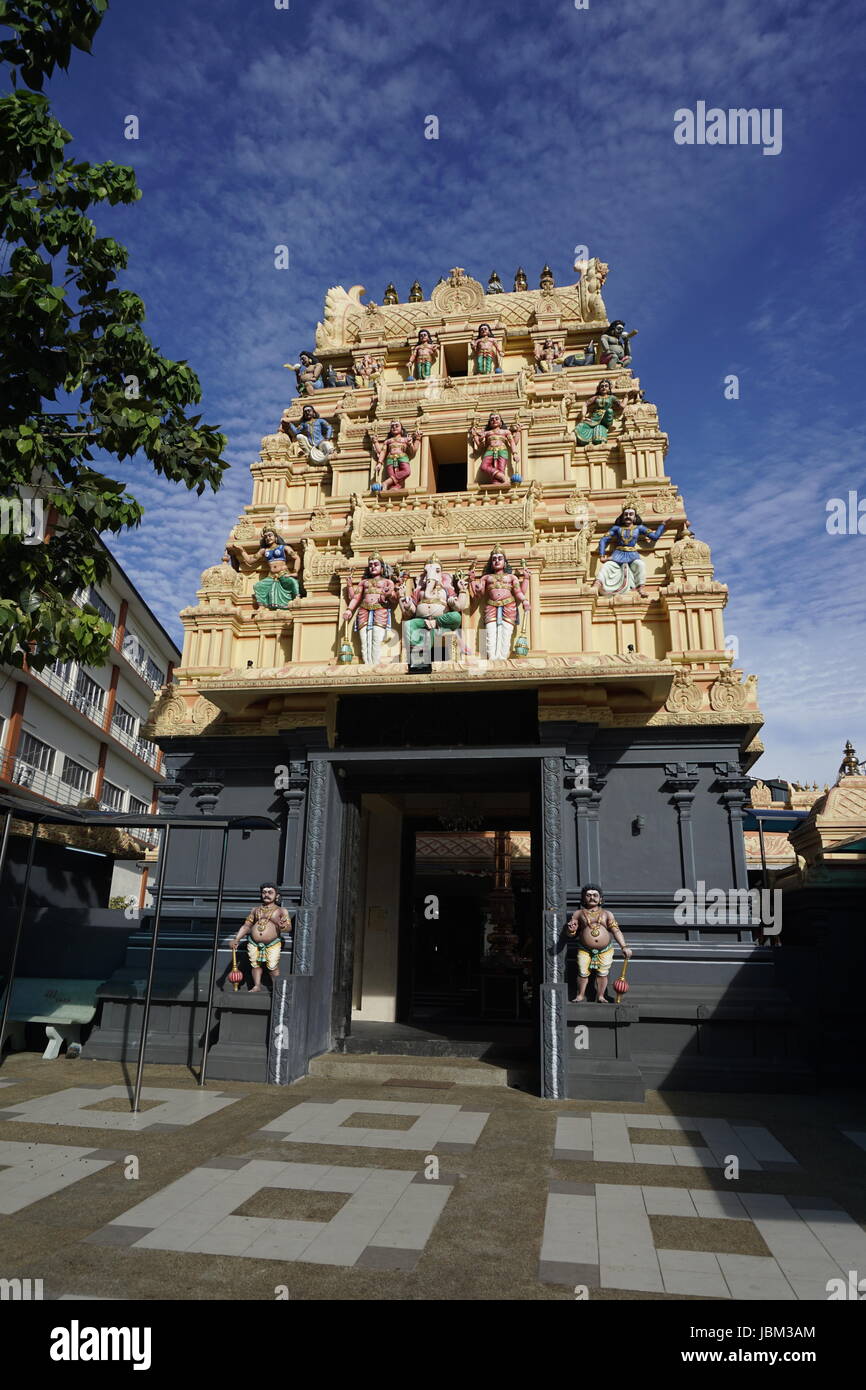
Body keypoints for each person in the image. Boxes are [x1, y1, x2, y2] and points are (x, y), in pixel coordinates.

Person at [566, 884, 632, 1003]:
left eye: (595, 895)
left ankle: (601, 996)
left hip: (604, 950)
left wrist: (624, 946)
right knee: (582, 971)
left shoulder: (607, 914)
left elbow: (616, 930)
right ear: (583, 898)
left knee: (603, 973)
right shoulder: (578, 913)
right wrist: (571, 930)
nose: (592, 897)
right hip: (584, 949)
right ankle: (580, 995)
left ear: (600, 898)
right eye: (589, 895)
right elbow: (571, 934)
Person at [595, 506, 670, 599]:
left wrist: (662, 525)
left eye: (631, 514)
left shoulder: (639, 528)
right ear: (622, 517)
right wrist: (602, 555)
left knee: (640, 565)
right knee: (607, 566)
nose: (628, 516)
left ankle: (641, 588)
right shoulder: (616, 528)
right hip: (618, 554)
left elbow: (654, 537)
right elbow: (603, 540)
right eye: (626, 514)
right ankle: (596, 585)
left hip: (632, 554)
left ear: (635, 517)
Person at [230, 883, 292, 992]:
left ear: (277, 895)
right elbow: (246, 926)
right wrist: (237, 939)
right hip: (254, 943)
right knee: (254, 964)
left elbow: (288, 928)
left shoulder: (281, 911)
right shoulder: (255, 910)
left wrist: (283, 926)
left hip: (272, 943)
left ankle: (277, 987)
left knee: (272, 965)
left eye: (270, 892)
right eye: (264, 892)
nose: (266, 895)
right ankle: (257, 986)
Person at [469, 548, 529, 660]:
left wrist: (526, 581)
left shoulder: (511, 577)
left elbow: (518, 592)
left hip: (508, 607)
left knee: (506, 634)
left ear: (505, 562)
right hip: (491, 607)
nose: (497, 561)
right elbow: (478, 594)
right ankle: (492, 659)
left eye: (500, 558)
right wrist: (472, 581)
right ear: (491, 563)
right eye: (494, 559)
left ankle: (502, 659)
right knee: (490, 635)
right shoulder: (486, 578)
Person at [343, 554, 400, 665]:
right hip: (364, 611)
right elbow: (355, 597)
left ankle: (374, 665)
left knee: (376, 640)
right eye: (370, 565)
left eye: (376, 564)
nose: (373, 567)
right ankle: (367, 665)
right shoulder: (364, 583)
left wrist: (388, 594)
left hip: (380, 611)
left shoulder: (387, 582)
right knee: (364, 642)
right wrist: (349, 609)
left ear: (382, 567)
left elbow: (394, 599)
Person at [229, 527, 300, 608]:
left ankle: (296, 600)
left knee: (293, 582)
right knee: (258, 586)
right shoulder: (264, 550)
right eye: (266, 537)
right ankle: (262, 606)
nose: (268, 538)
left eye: (270, 535)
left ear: (276, 537)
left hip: (283, 573)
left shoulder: (284, 548)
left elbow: (297, 558)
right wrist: (242, 550)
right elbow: (250, 560)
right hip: (271, 576)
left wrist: (295, 572)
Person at [470, 413, 522, 485]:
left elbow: (513, 442)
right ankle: (503, 478)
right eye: (492, 419)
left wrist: (515, 453)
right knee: (484, 466)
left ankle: (497, 483)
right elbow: (480, 447)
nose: (494, 420)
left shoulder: (506, 432)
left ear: (501, 422)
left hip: (502, 450)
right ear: (490, 423)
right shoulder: (487, 433)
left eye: (496, 418)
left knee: (501, 468)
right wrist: (475, 436)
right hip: (490, 450)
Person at [371, 420, 421, 490]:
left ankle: (386, 483)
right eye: (392, 426)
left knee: (407, 471)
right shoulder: (388, 441)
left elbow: (413, 451)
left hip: (402, 457)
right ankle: (394, 487)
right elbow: (382, 451)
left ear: (402, 429)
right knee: (392, 475)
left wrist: (412, 442)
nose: (394, 427)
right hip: (390, 459)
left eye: (397, 426)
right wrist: (379, 463)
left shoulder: (405, 439)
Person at [574, 379, 624, 445]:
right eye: (602, 386)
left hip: (606, 417)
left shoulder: (612, 397)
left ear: (609, 388)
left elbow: (622, 406)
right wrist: (583, 416)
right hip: (595, 418)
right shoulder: (596, 398)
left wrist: (626, 397)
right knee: (581, 426)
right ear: (599, 389)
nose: (604, 387)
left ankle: (607, 425)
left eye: (606, 386)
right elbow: (585, 404)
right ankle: (586, 439)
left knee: (609, 411)